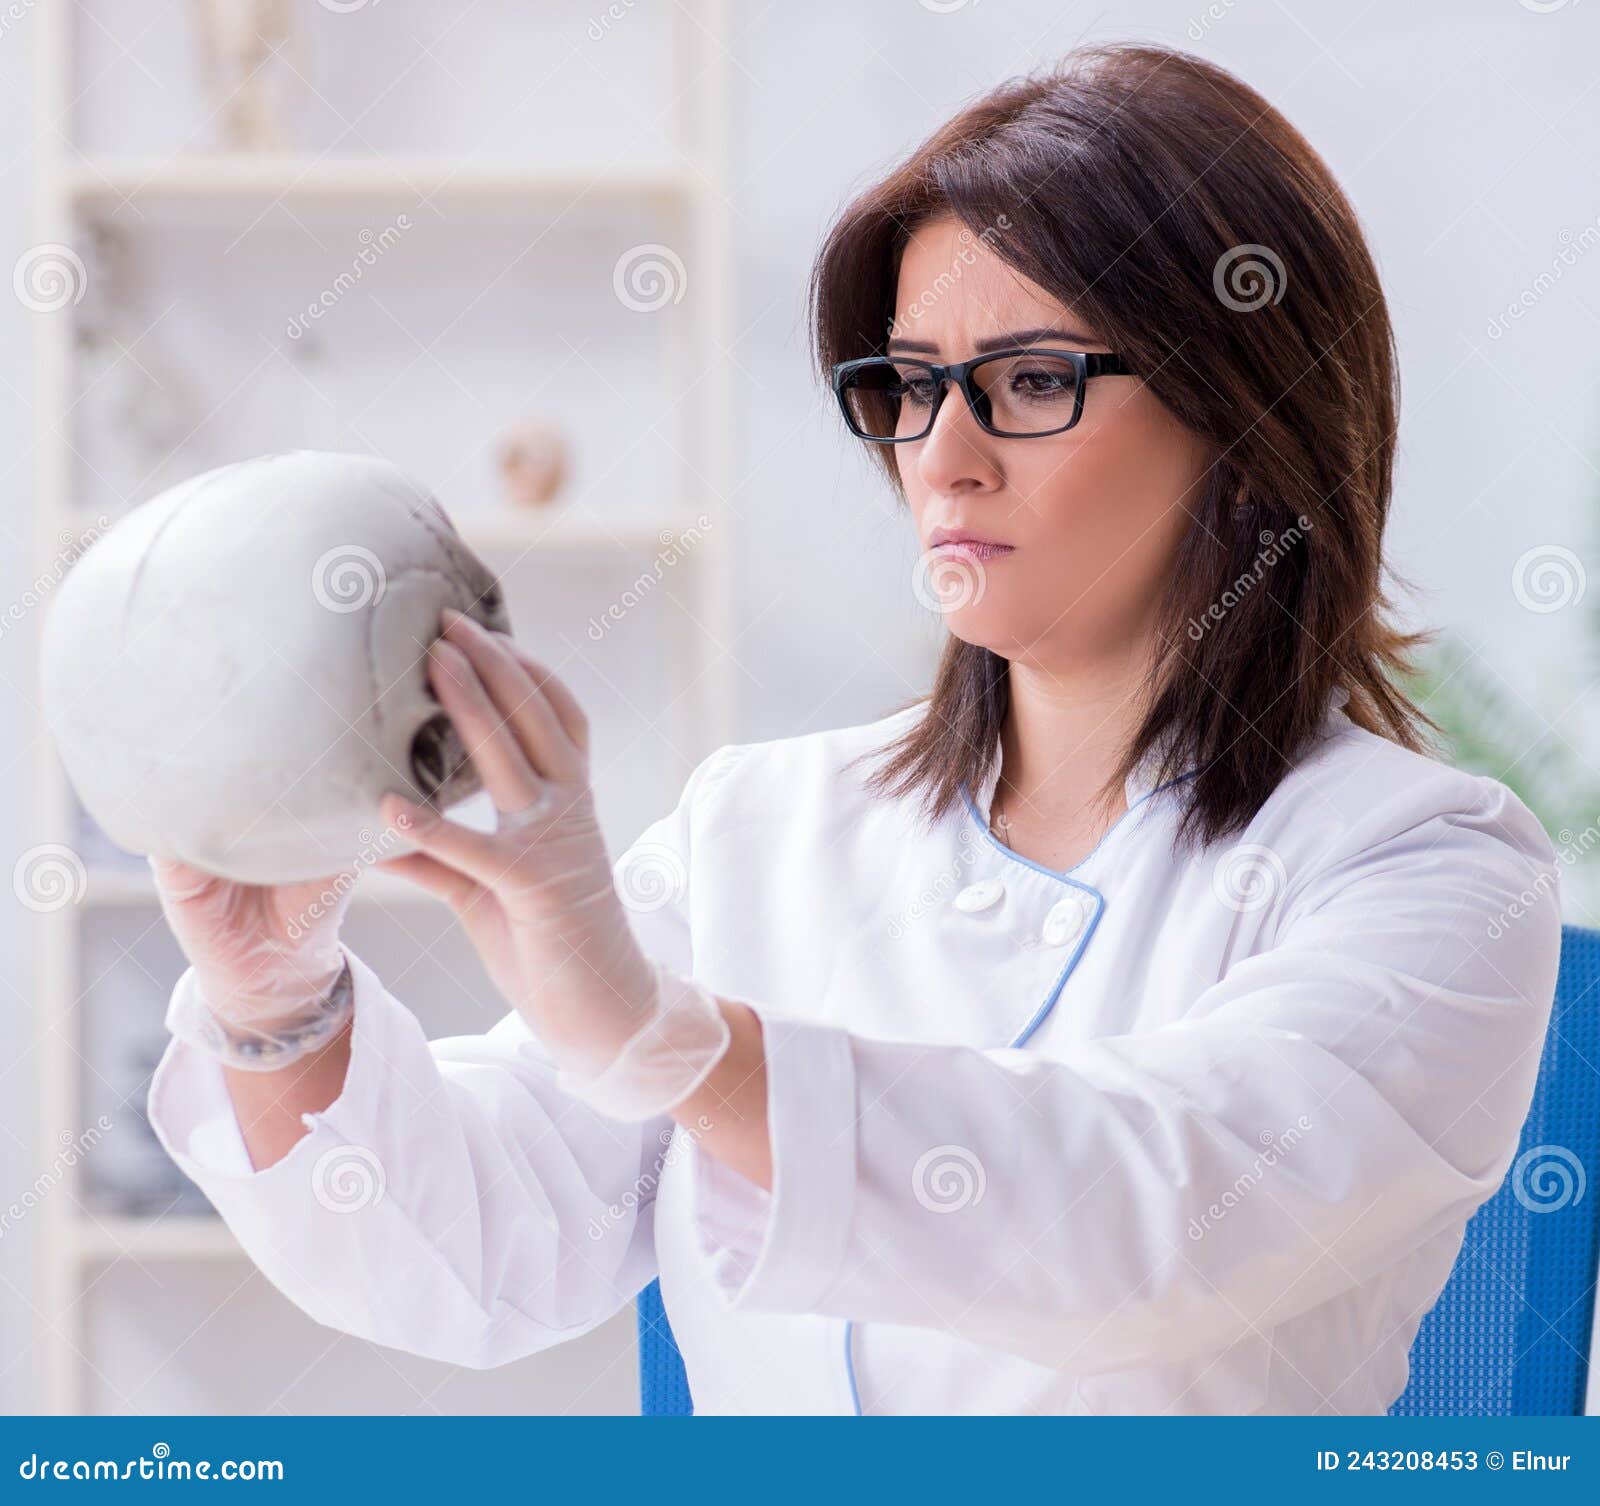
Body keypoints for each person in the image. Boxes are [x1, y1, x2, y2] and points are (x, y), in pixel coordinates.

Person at [145, 43, 1561, 1415]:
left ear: (1251, 425)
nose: (942, 456)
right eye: (909, 383)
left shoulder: (1427, 867)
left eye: (1028, 380)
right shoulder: (759, 828)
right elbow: (479, 1250)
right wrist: (278, 1003)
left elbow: (1152, 1216)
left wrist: (675, 1042)